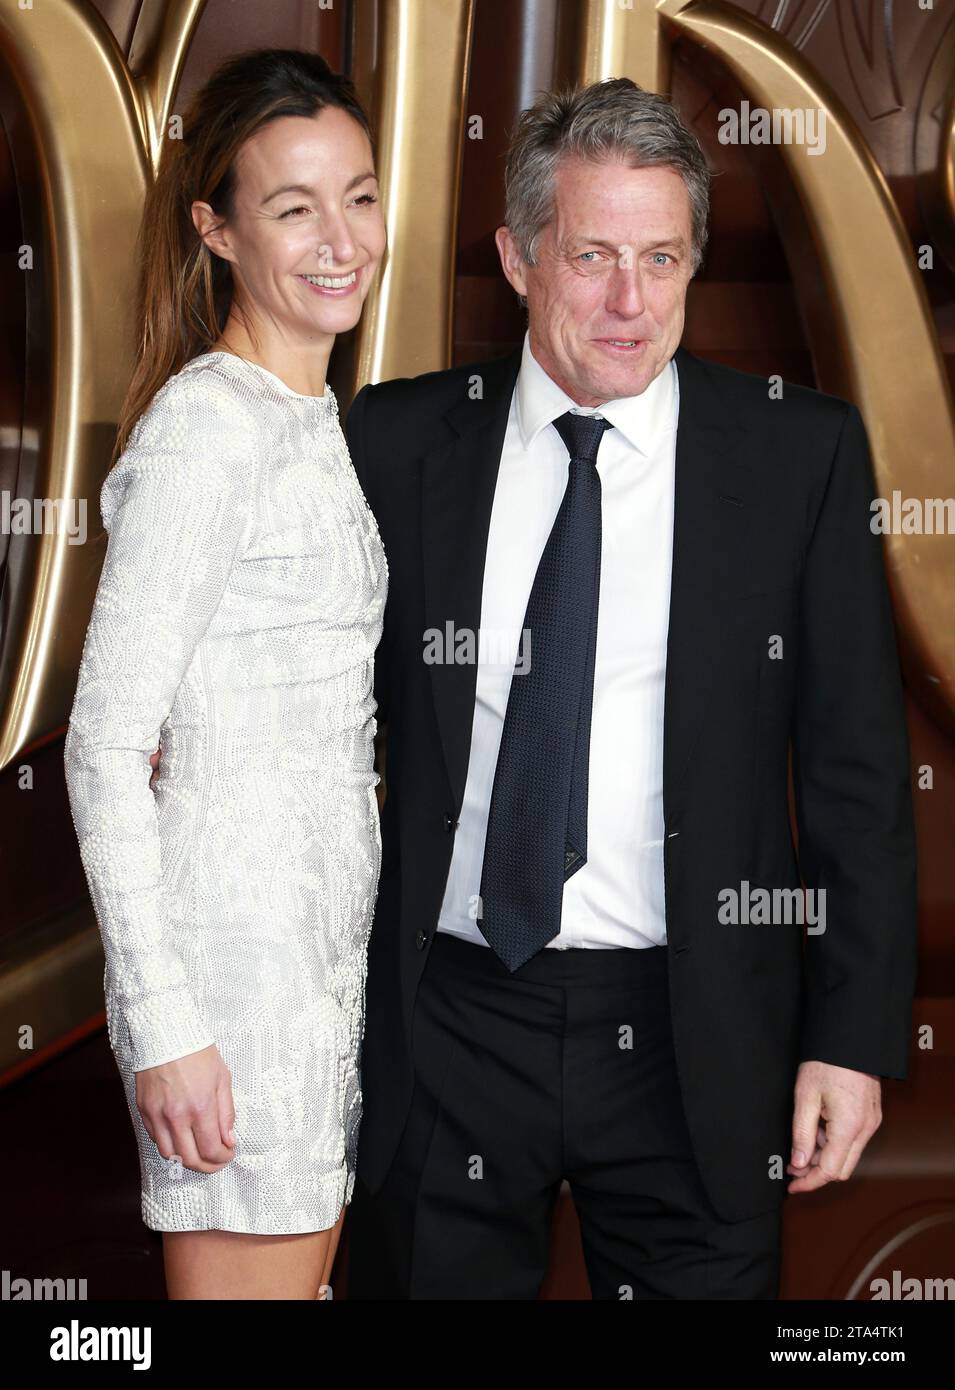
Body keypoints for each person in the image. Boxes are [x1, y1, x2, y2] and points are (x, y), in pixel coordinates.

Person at [342, 78, 917, 1299]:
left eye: (663, 259)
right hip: (448, 1019)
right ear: (515, 255)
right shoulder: (393, 444)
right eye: (592, 254)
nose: (629, 301)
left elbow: (858, 770)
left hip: (692, 1032)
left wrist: (852, 1040)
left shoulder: (795, 453)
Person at [63, 48, 387, 1300]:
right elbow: (103, 748)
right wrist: (166, 1026)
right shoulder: (206, 430)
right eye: (291, 206)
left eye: (357, 195)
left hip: (317, 971)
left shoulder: (305, 418)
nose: (339, 238)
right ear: (215, 229)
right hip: (234, 997)